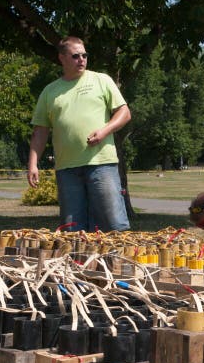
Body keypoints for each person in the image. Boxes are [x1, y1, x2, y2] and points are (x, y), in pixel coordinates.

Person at [27, 36, 131, 232]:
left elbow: (124, 113)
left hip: (102, 164)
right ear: (62, 58)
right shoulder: (50, 91)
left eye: (84, 55)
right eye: (75, 56)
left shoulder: (101, 80)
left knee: (113, 224)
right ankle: (79, 263)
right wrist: (33, 163)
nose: (81, 59)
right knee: (72, 229)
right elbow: (40, 131)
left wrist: (104, 130)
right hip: (67, 170)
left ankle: (119, 263)